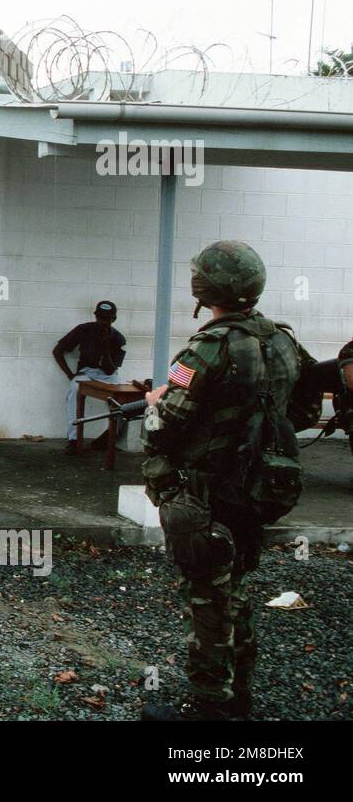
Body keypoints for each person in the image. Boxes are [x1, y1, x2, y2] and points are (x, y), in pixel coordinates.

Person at [140, 241, 322, 721]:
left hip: (209, 496)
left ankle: (211, 708)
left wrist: (155, 404)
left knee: (208, 598)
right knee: (234, 589)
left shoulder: (205, 348)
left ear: (204, 289)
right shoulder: (282, 340)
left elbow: (165, 431)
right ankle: (238, 694)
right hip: (258, 492)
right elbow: (303, 408)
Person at [53, 300, 126, 454]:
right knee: (73, 392)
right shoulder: (83, 329)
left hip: (108, 375)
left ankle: (107, 439)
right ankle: (74, 440)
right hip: (86, 372)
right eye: (100, 318)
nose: (102, 322)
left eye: (106, 319)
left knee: (120, 403)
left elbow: (110, 370)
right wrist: (70, 374)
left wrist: (105, 345)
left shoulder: (118, 338)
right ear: (95, 316)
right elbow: (58, 350)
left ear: (113, 319)